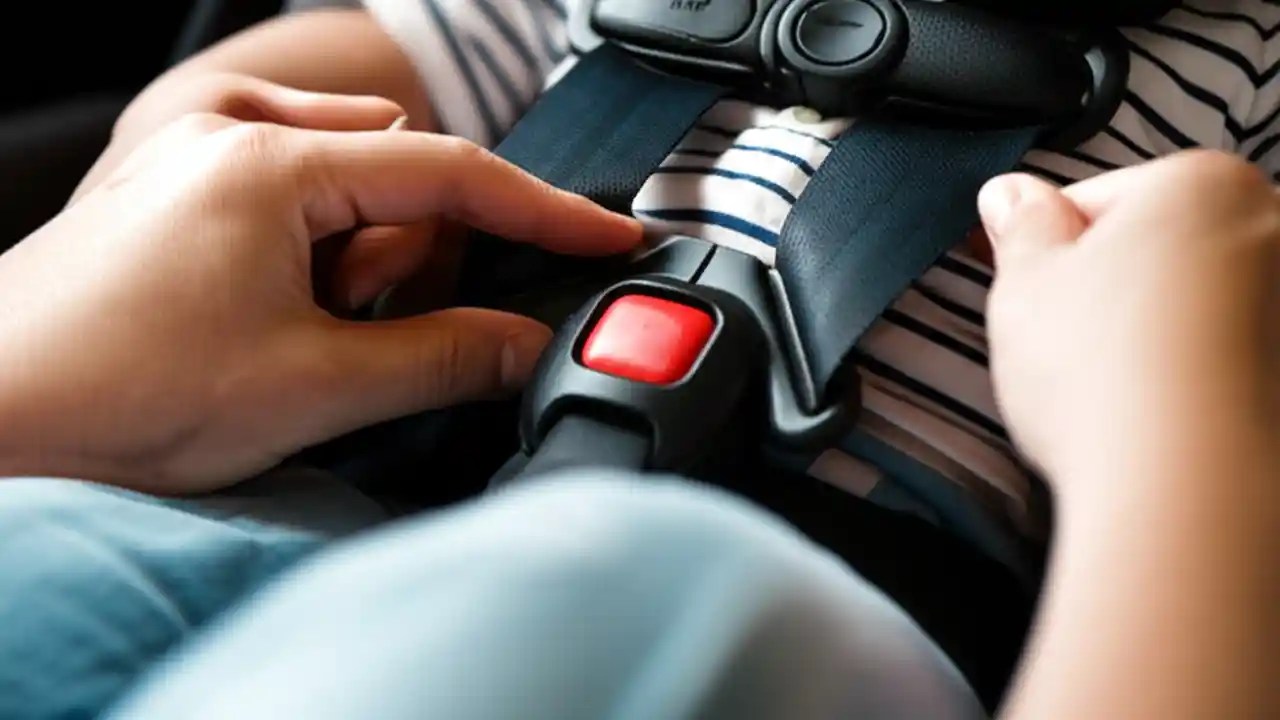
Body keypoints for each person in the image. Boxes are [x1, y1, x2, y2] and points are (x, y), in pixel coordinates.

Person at [0, 103, 1275, 719]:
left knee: (644, 587)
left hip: (893, 587)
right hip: (376, 493)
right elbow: (328, 65)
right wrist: (178, 143)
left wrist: (1183, 439)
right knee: (47, 549)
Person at [71, 0, 1280, 571]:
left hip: (853, 559)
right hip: (389, 448)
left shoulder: (1250, 57)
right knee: (71, 548)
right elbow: (401, 43)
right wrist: (194, 129)